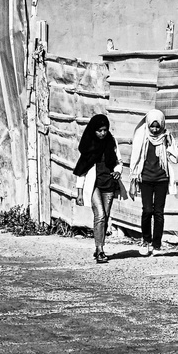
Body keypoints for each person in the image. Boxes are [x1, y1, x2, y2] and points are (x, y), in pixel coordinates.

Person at [128, 108, 178, 256]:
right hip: (145, 178)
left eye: (158, 126)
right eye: (152, 126)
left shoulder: (166, 136)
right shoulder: (142, 136)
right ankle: (145, 241)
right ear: (148, 124)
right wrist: (132, 180)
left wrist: (170, 145)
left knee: (158, 212)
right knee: (147, 211)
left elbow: (176, 158)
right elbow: (135, 158)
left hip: (161, 179)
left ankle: (156, 245)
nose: (155, 129)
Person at [73, 113, 123, 263]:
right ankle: (100, 250)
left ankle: (98, 247)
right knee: (100, 215)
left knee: (105, 217)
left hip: (108, 183)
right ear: (93, 130)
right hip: (93, 185)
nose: (102, 133)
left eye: (105, 130)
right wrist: (80, 192)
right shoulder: (89, 145)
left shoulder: (111, 142)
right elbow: (82, 170)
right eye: (99, 130)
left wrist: (117, 171)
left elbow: (118, 161)